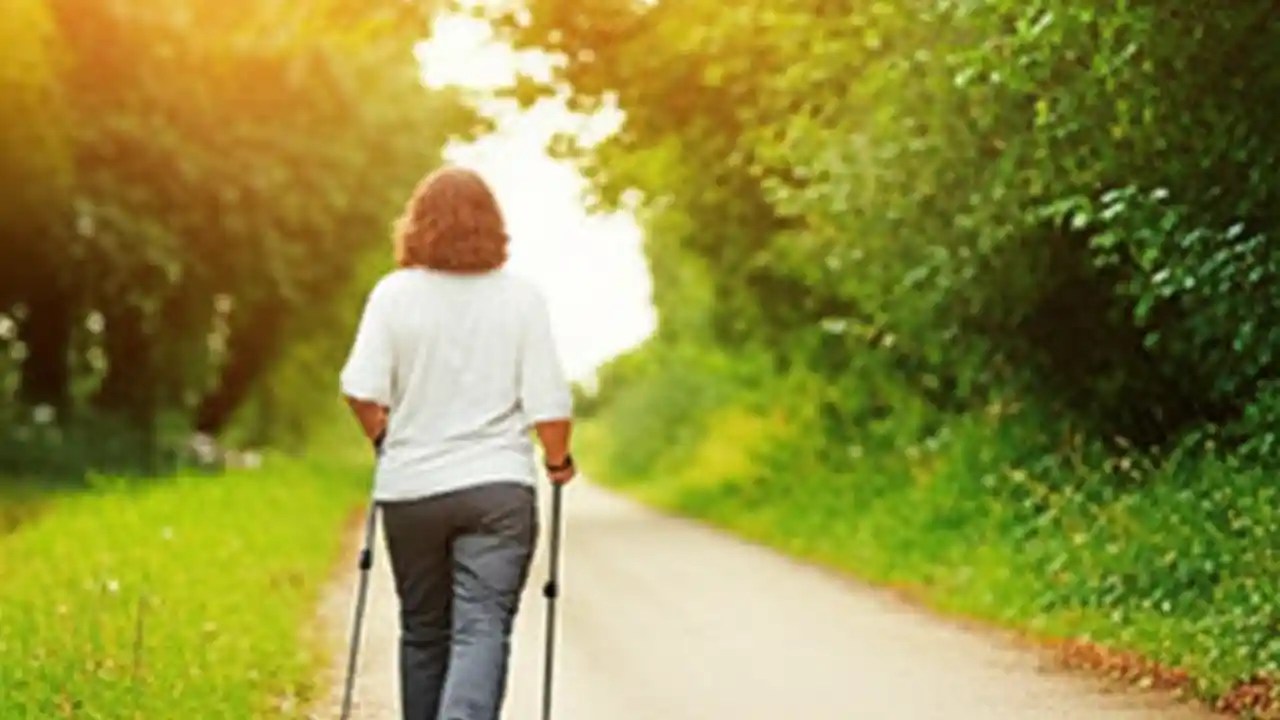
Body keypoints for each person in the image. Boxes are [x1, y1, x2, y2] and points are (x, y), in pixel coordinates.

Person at [339, 166, 576, 720]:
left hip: (412, 489)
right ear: (493, 226)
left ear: (418, 225)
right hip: (497, 490)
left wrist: (385, 438)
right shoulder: (521, 299)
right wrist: (558, 462)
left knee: (423, 631)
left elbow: (360, 389)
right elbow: (550, 407)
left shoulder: (394, 295)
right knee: (482, 625)